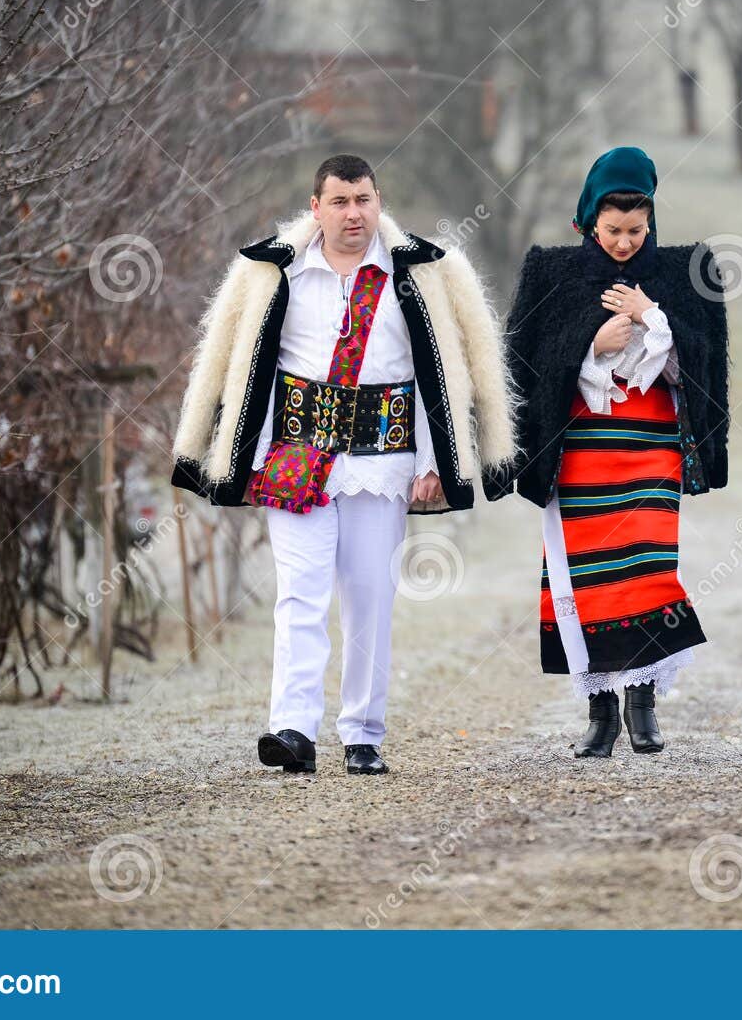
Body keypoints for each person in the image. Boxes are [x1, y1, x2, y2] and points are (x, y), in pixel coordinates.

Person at [172, 154, 515, 776]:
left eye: (363, 199)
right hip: (296, 457)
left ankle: (361, 733)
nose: (353, 213)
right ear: (316, 208)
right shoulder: (276, 272)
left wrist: (436, 459)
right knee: (299, 596)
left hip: (383, 458)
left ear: (378, 201)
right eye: (340, 201)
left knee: (369, 597)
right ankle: (292, 729)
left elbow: (440, 374)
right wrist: (242, 456)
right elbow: (251, 366)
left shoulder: (421, 273)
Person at [488, 147, 729, 758]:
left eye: (636, 230)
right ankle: (600, 713)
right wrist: (589, 344)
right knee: (585, 582)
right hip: (579, 455)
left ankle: (643, 706)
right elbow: (520, 365)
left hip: (651, 448)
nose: (624, 242)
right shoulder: (551, 272)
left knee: (649, 569)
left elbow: (705, 364)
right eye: (613, 230)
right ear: (590, 220)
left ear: (651, 220)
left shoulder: (685, 270)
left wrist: (655, 316)